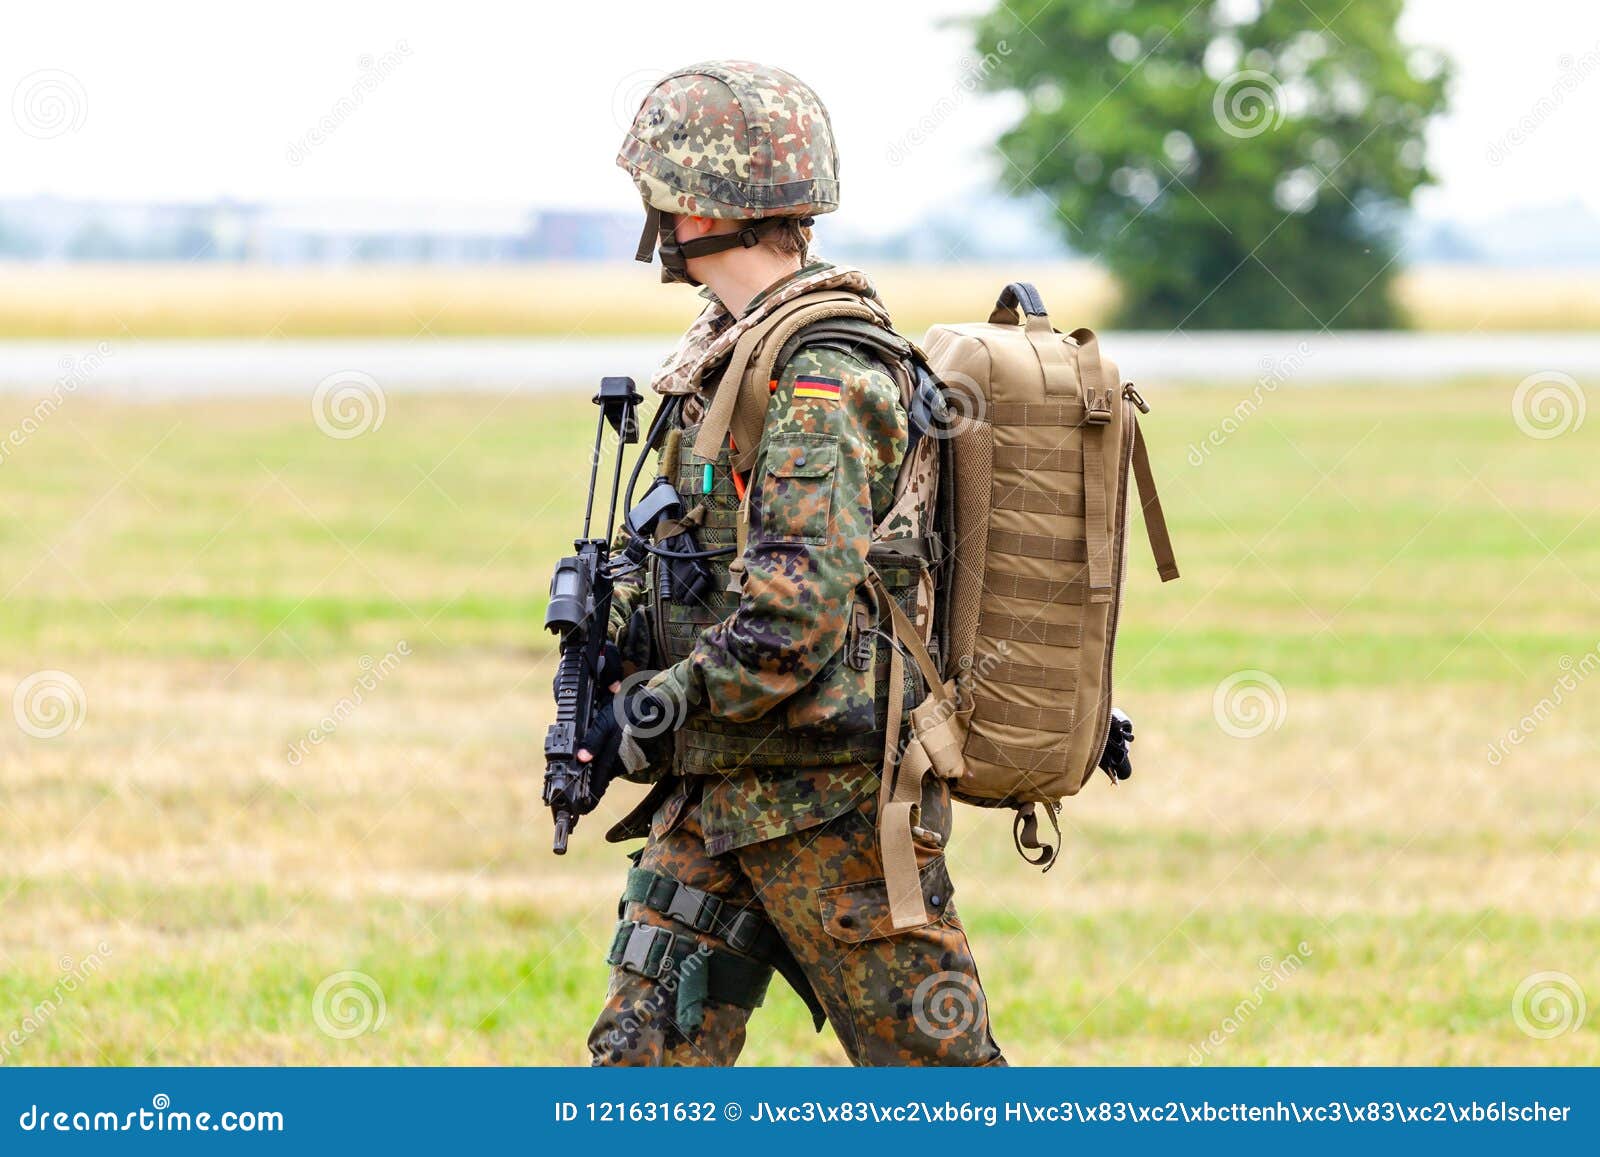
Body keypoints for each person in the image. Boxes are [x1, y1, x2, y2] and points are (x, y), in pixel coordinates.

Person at [579, 60, 1003, 1067]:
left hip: (830, 811)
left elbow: (789, 626)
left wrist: (652, 708)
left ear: (691, 207)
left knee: (938, 1082)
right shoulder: (732, 347)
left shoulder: (820, 375)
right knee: (639, 1063)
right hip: (722, 789)